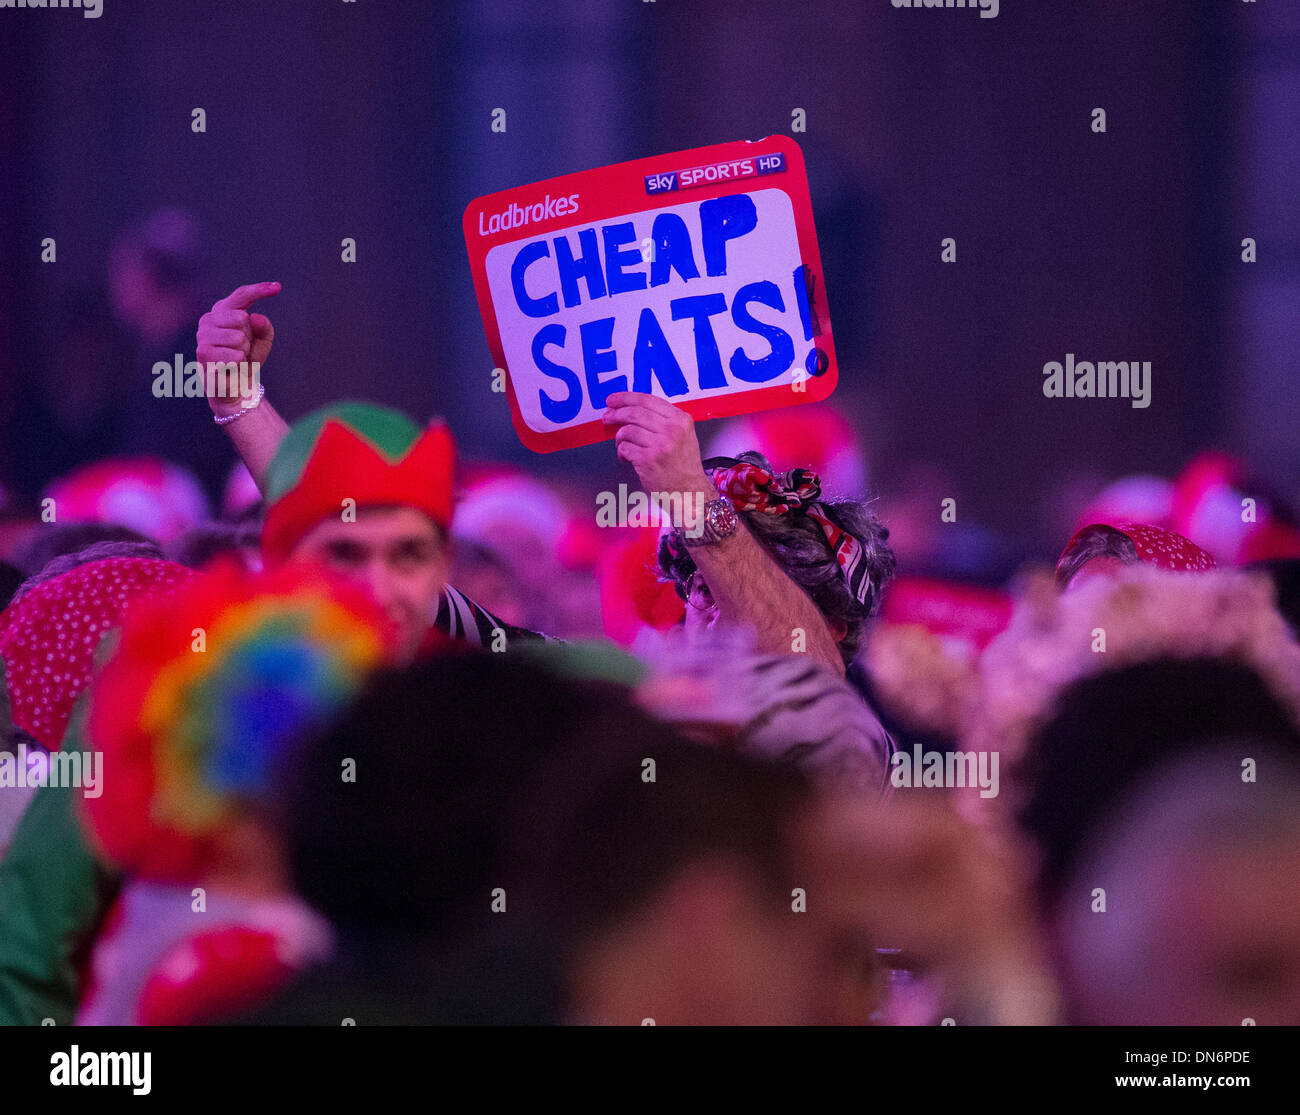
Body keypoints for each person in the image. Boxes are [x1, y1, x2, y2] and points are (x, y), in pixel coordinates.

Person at [651, 449, 895, 674]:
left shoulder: (845, 721)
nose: (717, 628)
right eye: (706, 591)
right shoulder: (642, 706)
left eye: (753, 599)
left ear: (830, 630)